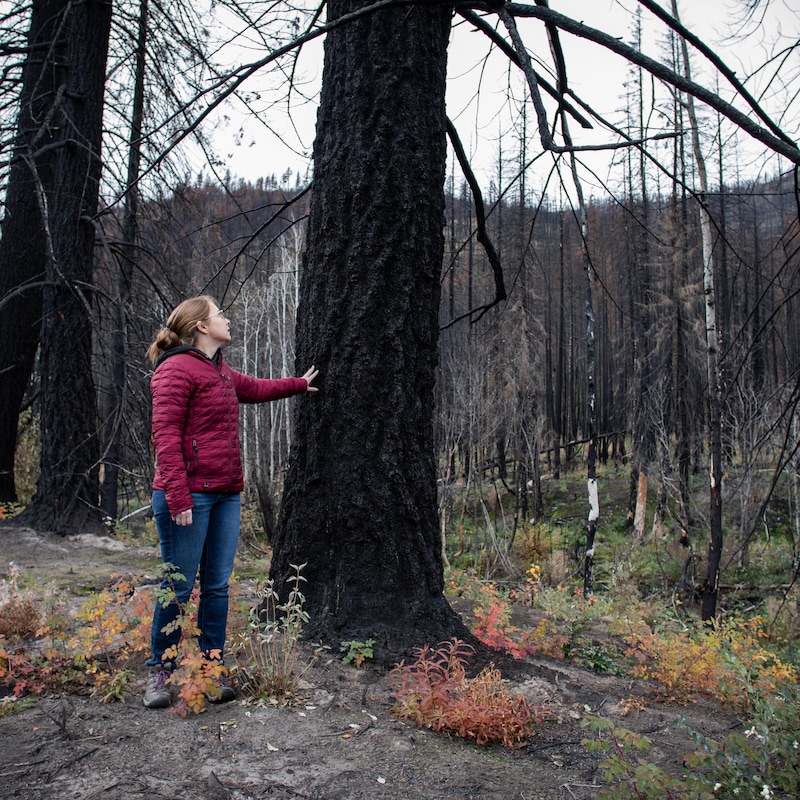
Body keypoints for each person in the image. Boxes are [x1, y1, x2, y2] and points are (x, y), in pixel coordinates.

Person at [142, 295, 318, 709]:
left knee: (217, 586)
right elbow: (165, 437)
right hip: (185, 495)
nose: (227, 319)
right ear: (201, 326)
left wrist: (297, 384)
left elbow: (254, 388)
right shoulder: (175, 369)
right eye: (219, 314)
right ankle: (159, 675)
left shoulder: (217, 369)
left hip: (224, 494)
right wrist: (179, 497)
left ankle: (210, 670)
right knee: (178, 587)